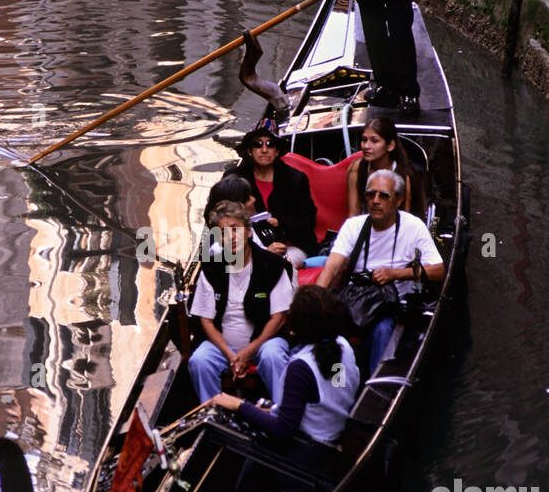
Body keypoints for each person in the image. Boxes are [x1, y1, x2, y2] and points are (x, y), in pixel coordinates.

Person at [317, 169, 444, 373]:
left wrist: (395, 274)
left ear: (399, 200)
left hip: (390, 305)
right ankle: (333, 383)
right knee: (326, 327)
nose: (375, 201)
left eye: (383, 195)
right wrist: (315, 298)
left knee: (383, 329)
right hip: (355, 302)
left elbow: (438, 271)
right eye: (370, 195)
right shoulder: (353, 226)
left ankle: (375, 382)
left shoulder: (413, 227)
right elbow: (332, 266)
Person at [211, 285, 359, 445]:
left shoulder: (301, 367)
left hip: (307, 448)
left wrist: (240, 405)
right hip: (333, 433)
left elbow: (283, 429)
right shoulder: (343, 346)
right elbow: (334, 391)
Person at [188, 201, 292, 403]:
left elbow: (279, 317)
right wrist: (230, 354)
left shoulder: (272, 265)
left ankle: (281, 416)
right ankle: (212, 417)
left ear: (249, 232)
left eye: (235, 229)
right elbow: (206, 321)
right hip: (222, 346)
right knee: (199, 360)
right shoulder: (211, 268)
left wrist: (248, 351)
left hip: (264, 342)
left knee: (274, 357)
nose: (231, 237)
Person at [227, 117, 318, 268]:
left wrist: (280, 222)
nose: (264, 150)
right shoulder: (234, 178)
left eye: (270, 144)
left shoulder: (296, 179)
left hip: (290, 246)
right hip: (247, 244)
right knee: (224, 263)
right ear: (250, 150)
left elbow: (308, 222)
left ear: (277, 151)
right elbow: (215, 215)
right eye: (258, 144)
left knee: (273, 264)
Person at [346, 115, 421, 218]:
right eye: (364, 140)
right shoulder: (357, 169)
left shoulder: (405, 176)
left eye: (374, 141)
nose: (366, 146)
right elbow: (353, 215)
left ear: (390, 145)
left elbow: (406, 221)